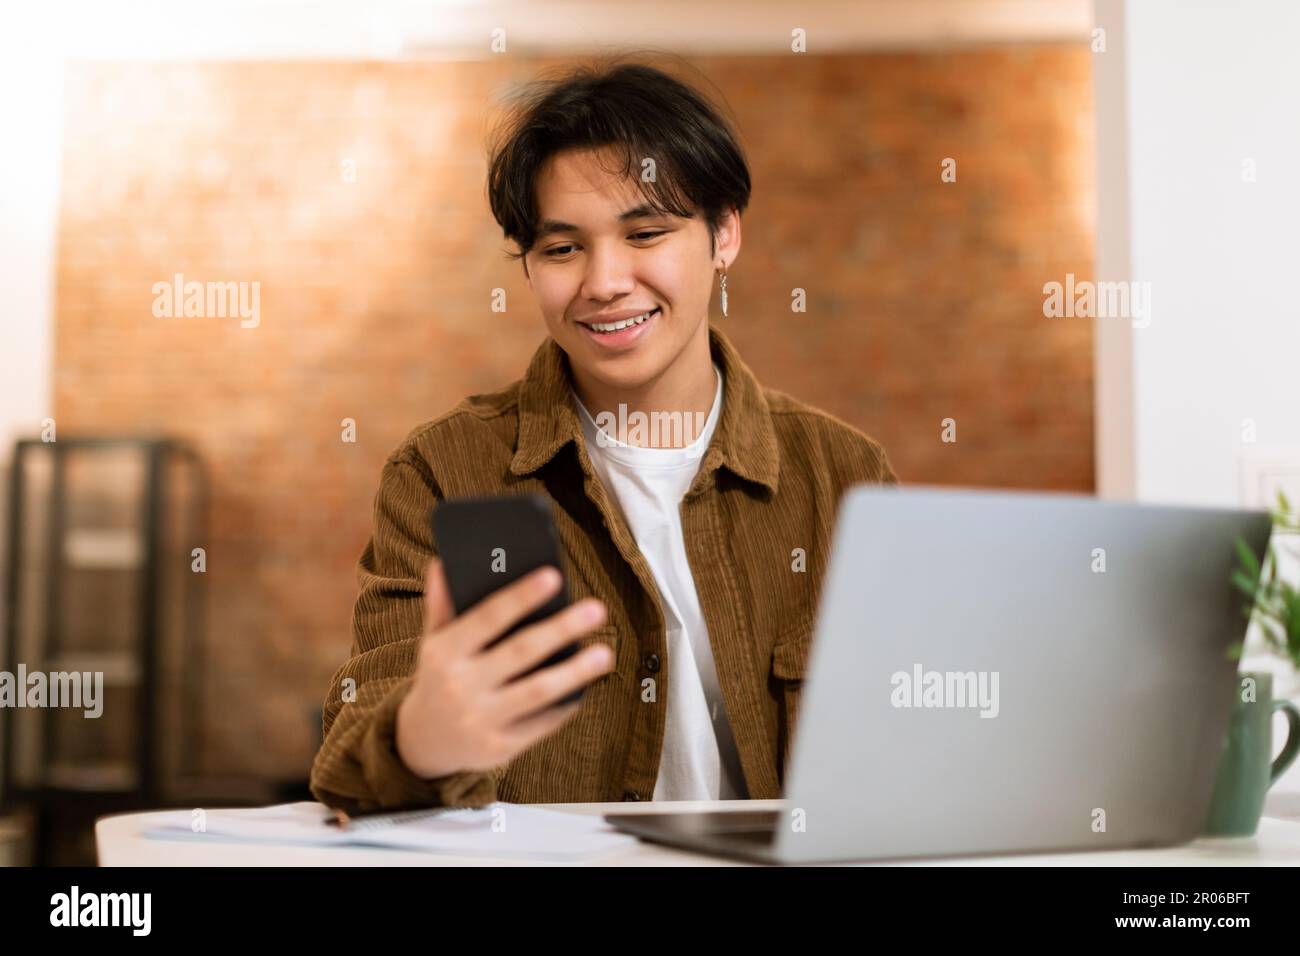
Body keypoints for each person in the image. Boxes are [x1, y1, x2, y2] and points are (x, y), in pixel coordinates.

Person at [309, 57, 897, 814]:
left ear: (725, 236)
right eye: (562, 249)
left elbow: (899, 755)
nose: (605, 281)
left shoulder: (842, 474)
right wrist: (423, 734)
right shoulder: (447, 470)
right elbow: (350, 758)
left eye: (645, 233)